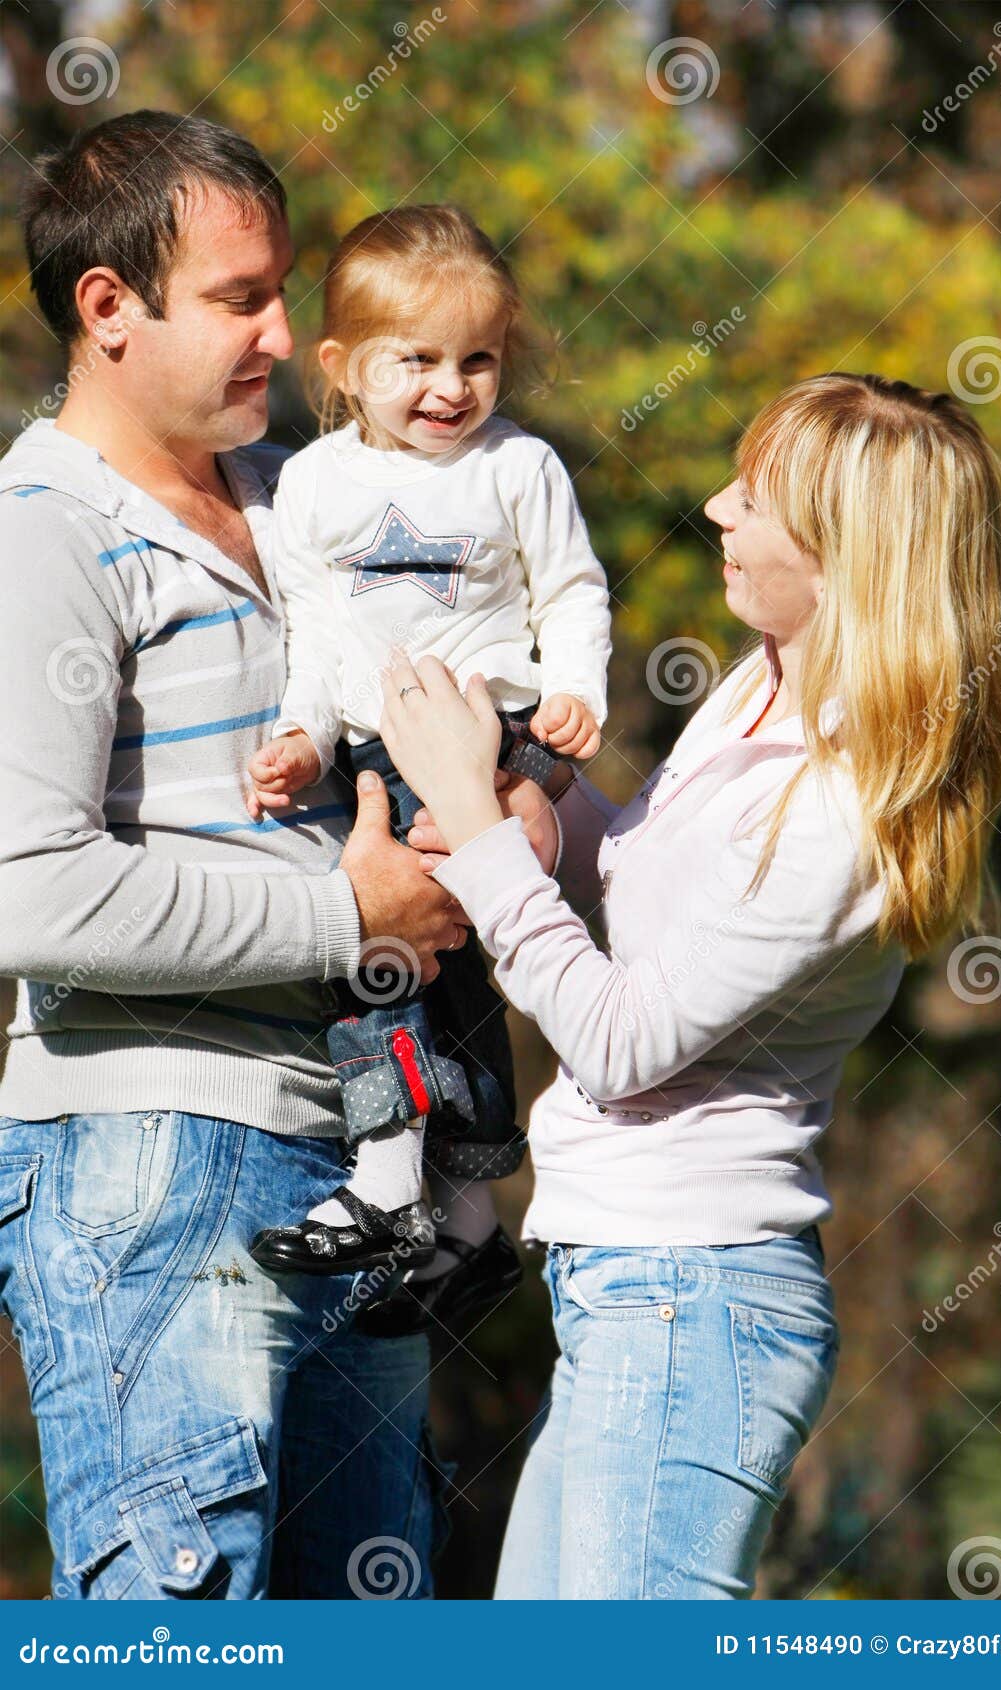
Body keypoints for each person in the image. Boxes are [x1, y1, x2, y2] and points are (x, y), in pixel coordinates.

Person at [375, 373, 1001, 1598]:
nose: (720, 507)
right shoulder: (759, 688)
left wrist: (471, 821)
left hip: (693, 1296)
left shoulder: (841, 803)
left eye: (758, 498)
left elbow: (620, 1038)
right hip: (633, 1288)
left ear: (843, 554)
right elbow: (639, 889)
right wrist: (541, 808)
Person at [0, 111, 464, 1599]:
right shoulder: (44, 535)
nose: (283, 332)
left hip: (353, 1159)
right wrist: (343, 909)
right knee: (178, 1632)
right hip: (153, 1149)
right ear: (107, 310)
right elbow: (30, 889)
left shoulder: (307, 503)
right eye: (239, 297)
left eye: (281, 292)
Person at [243, 205, 610, 1327]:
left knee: (379, 959)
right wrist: (305, 735)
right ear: (343, 368)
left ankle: (387, 1186)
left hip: (480, 741)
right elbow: (314, 637)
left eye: (478, 359)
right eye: (417, 360)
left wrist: (577, 687)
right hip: (366, 750)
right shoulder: (309, 488)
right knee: (438, 976)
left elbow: (572, 588)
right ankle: (469, 1222)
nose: (451, 387)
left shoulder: (518, 467)